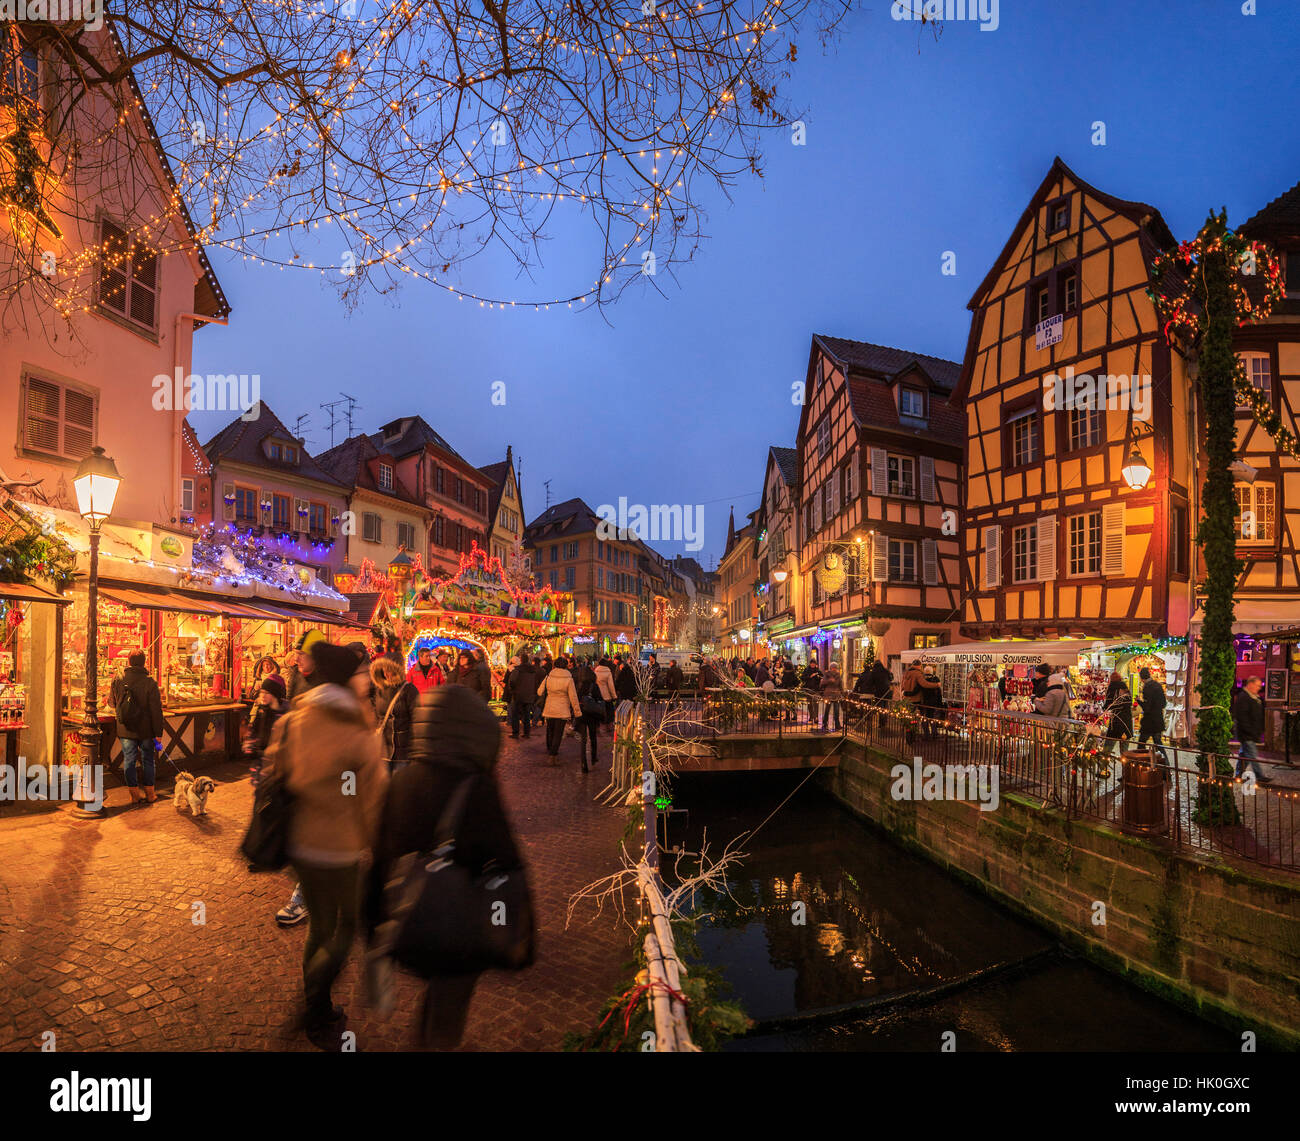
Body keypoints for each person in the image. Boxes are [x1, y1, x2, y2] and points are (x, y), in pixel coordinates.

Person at [363, 684, 525, 1048]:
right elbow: (505, 856)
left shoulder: (405, 780)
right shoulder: (478, 785)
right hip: (461, 922)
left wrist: (373, 922)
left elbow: (381, 852)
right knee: (446, 1009)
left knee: (436, 999)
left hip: (413, 915)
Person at [260, 639, 387, 1044]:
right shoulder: (356, 725)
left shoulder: (297, 716)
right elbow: (371, 794)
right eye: (362, 674)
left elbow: (274, 772)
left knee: (319, 925)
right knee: (347, 926)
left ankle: (316, 1008)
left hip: (301, 843)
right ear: (348, 679)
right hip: (340, 846)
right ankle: (312, 999)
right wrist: (377, 840)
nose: (367, 680)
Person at [109, 651, 165, 807]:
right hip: (146, 730)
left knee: (129, 760)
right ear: (144, 662)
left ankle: (134, 795)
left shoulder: (118, 679)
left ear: (128, 661)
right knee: (148, 760)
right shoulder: (150, 682)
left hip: (125, 728)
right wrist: (158, 733)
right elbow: (156, 710)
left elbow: (111, 703)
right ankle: (150, 794)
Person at [370, 657, 419, 774]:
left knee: (399, 786)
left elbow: (416, 717)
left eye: (389, 669)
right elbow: (377, 717)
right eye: (383, 670)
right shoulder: (380, 690)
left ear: (397, 670)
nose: (386, 674)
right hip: (383, 749)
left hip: (403, 750)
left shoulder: (408, 689)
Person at [244, 675, 287, 787]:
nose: (262, 695)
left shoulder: (285, 715)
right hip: (261, 768)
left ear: (276, 694)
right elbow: (253, 732)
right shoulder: (262, 711)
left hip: (278, 771)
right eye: (261, 692)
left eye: (266, 692)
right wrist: (250, 747)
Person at [539, 655, 581, 761]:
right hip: (562, 709)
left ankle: (550, 749)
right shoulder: (568, 678)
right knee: (558, 732)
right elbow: (573, 696)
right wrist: (577, 712)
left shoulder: (549, 676)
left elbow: (539, 691)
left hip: (549, 708)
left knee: (550, 730)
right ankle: (553, 754)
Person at [1232, 676, 1271, 784]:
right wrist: (1250, 731)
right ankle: (1259, 776)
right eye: (1257, 685)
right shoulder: (1243, 697)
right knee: (1252, 755)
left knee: (1244, 754)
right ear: (1250, 684)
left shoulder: (1254, 697)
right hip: (1246, 733)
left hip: (1251, 732)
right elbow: (1242, 717)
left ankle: (1238, 774)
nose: (1259, 688)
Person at [573, 660, 604, 772]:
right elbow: (599, 699)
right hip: (592, 715)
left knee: (583, 739)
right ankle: (594, 757)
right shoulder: (593, 686)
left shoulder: (578, 686)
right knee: (593, 736)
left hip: (581, 714)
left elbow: (574, 699)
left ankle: (583, 763)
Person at [505, 655, 538, 739]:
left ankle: (516, 732)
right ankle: (527, 733)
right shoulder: (533, 670)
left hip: (518, 695)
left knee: (515, 714)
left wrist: (512, 690)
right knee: (526, 715)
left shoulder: (518, 670)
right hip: (529, 695)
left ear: (521, 660)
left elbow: (512, 681)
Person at [1135, 667, 1167, 752]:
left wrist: (1139, 701)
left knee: (1141, 744)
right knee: (1158, 744)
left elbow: (1147, 707)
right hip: (1158, 720)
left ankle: (1141, 761)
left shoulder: (1147, 688)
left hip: (1149, 722)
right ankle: (1165, 763)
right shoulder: (1158, 685)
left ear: (1141, 678)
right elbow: (1164, 703)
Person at [1102, 670, 1133, 755]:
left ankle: (1104, 766)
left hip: (1116, 722)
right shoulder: (1125, 688)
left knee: (1107, 749)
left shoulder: (1112, 687)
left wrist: (1103, 708)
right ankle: (1126, 768)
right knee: (1125, 752)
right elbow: (1129, 703)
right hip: (1127, 723)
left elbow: (1108, 705)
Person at [819, 663, 844, 731]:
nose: (834, 669)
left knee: (836, 711)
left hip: (836, 695)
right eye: (833, 668)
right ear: (831, 668)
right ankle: (825, 724)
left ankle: (837, 725)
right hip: (828, 695)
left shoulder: (838, 676)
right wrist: (829, 680)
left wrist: (843, 693)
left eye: (835, 668)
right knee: (827, 710)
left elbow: (840, 685)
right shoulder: (827, 675)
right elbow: (822, 683)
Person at [594, 657, 617, 732]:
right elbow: (611, 685)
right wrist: (614, 696)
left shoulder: (595, 671)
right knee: (609, 711)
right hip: (606, 695)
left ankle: (597, 726)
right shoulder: (608, 672)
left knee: (597, 711)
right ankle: (608, 726)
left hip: (597, 694)